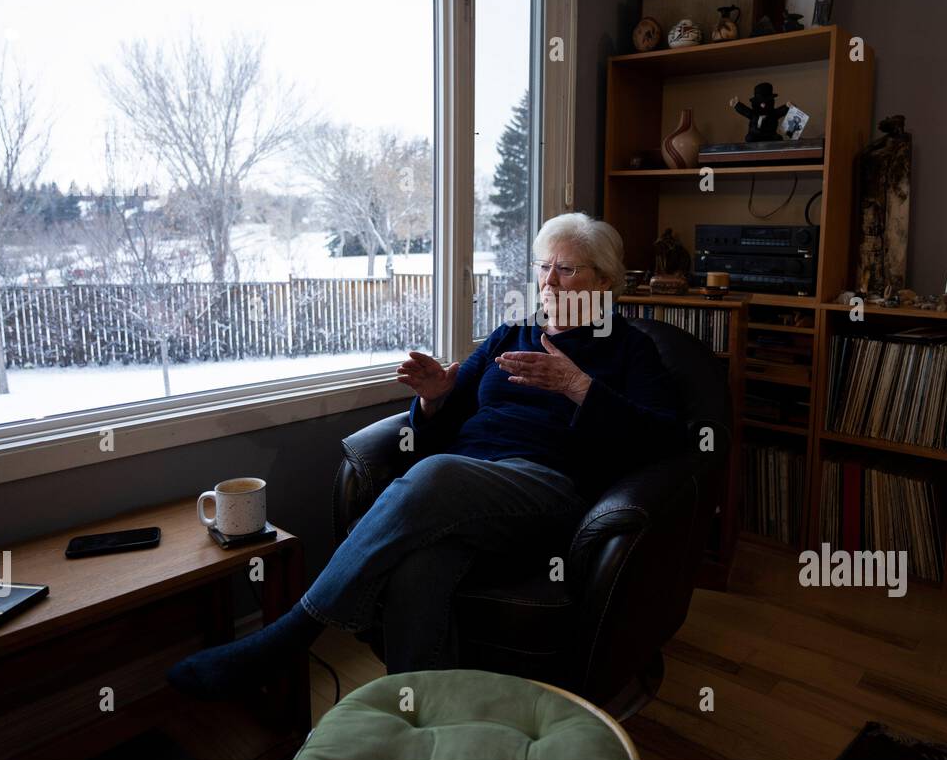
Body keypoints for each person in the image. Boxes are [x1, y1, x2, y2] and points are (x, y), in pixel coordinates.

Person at [166, 212, 686, 698]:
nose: (548, 281)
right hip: (467, 487)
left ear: (603, 282)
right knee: (420, 567)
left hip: (547, 491)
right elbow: (438, 433)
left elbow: (665, 437)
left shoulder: (629, 350)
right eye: (542, 266)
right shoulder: (509, 336)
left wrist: (578, 386)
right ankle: (423, 719)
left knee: (436, 474)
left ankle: (289, 636)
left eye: (566, 269)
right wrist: (435, 398)